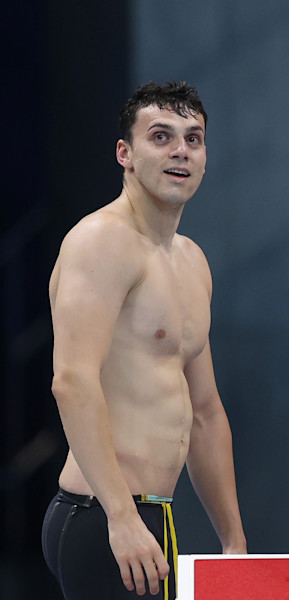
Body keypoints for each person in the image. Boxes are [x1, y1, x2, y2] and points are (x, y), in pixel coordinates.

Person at [41, 81, 247, 600]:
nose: (180, 150)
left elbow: (205, 411)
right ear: (125, 154)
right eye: (161, 136)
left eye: (193, 139)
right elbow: (71, 380)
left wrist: (233, 542)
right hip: (101, 514)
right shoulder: (101, 240)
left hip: (153, 515)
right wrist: (120, 517)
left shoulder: (192, 261)